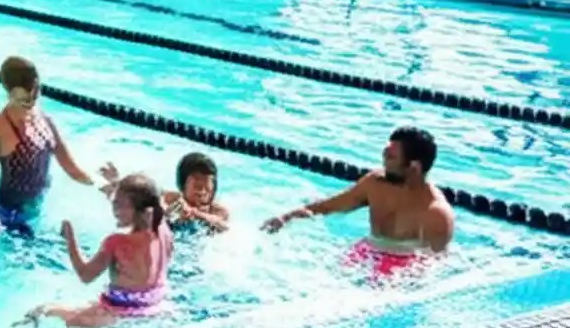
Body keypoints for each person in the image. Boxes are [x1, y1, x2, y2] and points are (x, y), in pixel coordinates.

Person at [261, 126, 454, 276]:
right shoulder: (375, 183)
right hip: (366, 251)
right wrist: (286, 217)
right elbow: (329, 206)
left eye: (391, 157)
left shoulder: (435, 214)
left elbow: (435, 269)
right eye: (385, 154)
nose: (383, 160)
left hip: (403, 267)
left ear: (414, 167)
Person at [25, 174, 174, 328]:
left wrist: (70, 237)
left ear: (138, 209)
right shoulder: (163, 230)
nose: (114, 209)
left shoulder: (116, 242)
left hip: (117, 315)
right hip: (155, 308)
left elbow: (85, 275)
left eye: (119, 204)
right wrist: (115, 184)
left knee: (45, 310)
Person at [0, 56, 95, 236]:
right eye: (23, 100)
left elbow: (73, 171)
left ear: (38, 86)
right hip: (9, 217)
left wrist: (106, 186)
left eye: (34, 97)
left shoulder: (46, 122)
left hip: (39, 211)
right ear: (9, 92)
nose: (29, 104)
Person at [101, 153, 229, 234]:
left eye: (207, 187)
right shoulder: (171, 199)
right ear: (182, 185)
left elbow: (223, 227)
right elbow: (142, 193)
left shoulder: (217, 211)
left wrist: (194, 213)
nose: (202, 192)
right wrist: (117, 183)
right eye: (197, 186)